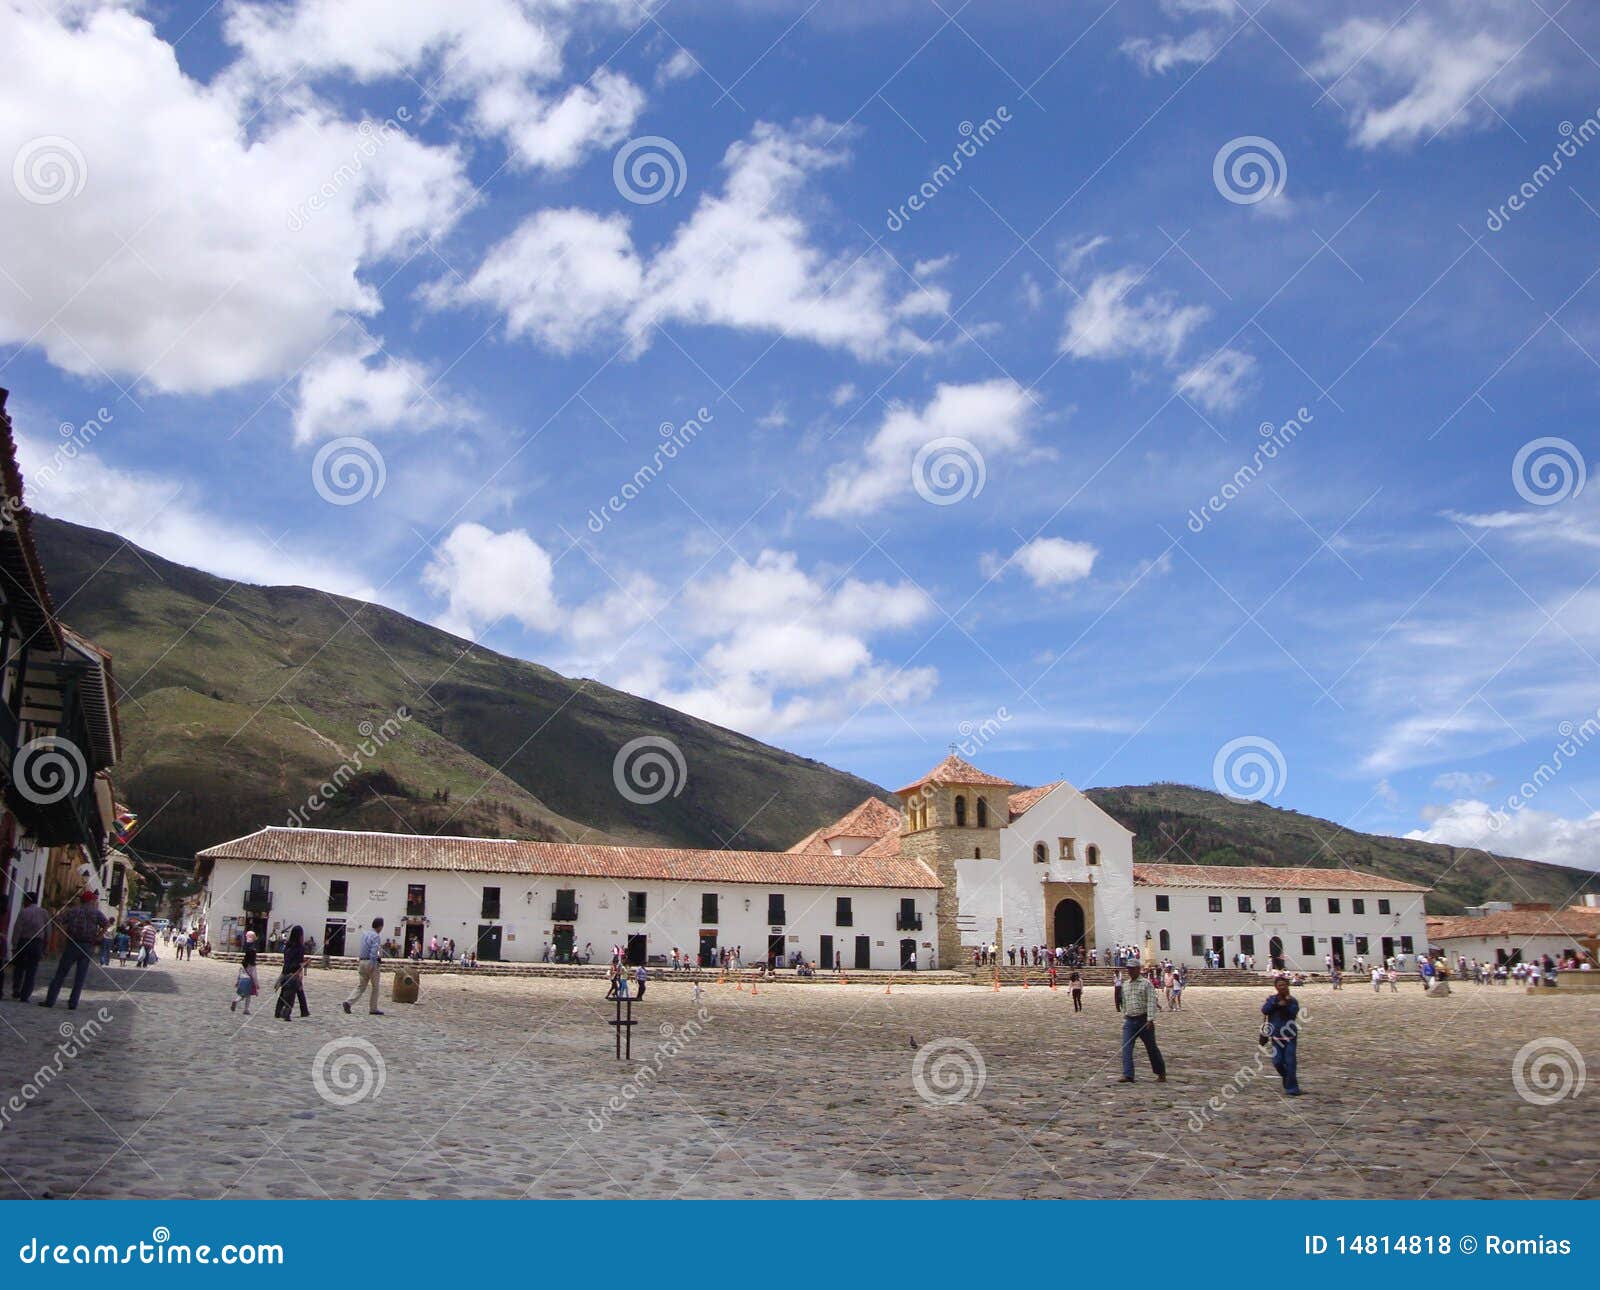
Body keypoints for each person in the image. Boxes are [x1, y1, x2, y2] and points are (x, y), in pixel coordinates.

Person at [40, 890, 109, 1011]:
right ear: (91, 900)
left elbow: (58, 920)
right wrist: (98, 936)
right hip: (87, 945)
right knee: (80, 976)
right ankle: (73, 1003)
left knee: (61, 973)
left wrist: (64, 933)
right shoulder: (96, 912)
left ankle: (50, 1000)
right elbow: (106, 924)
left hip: (72, 944)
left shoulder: (72, 911)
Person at [1114, 963, 1166, 1084]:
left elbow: (1151, 1001)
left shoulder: (1146, 983)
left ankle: (1160, 1072)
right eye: (1128, 969)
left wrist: (1150, 1018)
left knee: (1151, 1048)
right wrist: (1125, 1016)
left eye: (1132, 969)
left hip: (1144, 1020)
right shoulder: (1125, 985)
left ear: (1138, 969)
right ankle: (1128, 1074)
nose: (1130, 971)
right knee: (1126, 1047)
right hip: (1130, 1020)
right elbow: (1125, 1002)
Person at [1261, 976, 1302, 1096]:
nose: (1282, 987)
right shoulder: (1272, 999)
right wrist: (1276, 1004)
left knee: (1290, 1062)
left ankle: (1292, 1088)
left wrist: (1286, 1004)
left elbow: (1292, 1014)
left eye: (1284, 985)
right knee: (1277, 1062)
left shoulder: (1293, 1001)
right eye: (1280, 985)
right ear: (1276, 987)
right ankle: (1287, 1077)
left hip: (1290, 1036)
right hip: (1276, 1036)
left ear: (1287, 986)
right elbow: (1264, 1010)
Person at [341, 917, 385, 1016]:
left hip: (361, 961)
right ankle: (373, 1008)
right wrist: (374, 964)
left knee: (361, 986)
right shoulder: (376, 936)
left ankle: (348, 1002)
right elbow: (374, 951)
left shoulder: (365, 934)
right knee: (375, 987)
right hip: (371, 962)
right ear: (380, 926)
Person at [10, 892, 49, 1002]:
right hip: (37, 943)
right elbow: (48, 931)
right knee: (32, 969)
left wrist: (14, 945)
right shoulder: (44, 913)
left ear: (27, 901)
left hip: (24, 941)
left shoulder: (24, 912)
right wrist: (46, 946)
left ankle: (16, 989)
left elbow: (17, 929)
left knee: (19, 966)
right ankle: (25, 995)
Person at [275, 925, 310, 1020]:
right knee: (297, 991)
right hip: (294, 973)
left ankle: (278, 1011)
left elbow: (287, 960)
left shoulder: (287, 946)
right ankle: (302, 1011)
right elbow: (299, 962)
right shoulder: (300, 948)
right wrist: (305, 964)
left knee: (285, 991)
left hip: (285, 971)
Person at [231, 931, 259, 1014]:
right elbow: (254, 975)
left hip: (242, 978)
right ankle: (246, 1009)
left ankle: (236, 1000)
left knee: (243, 994)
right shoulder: (252, 965)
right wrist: (257, 985)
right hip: (249, 979)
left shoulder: (243, 963)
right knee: (248, 995)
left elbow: (239, 973)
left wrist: (237, 981)